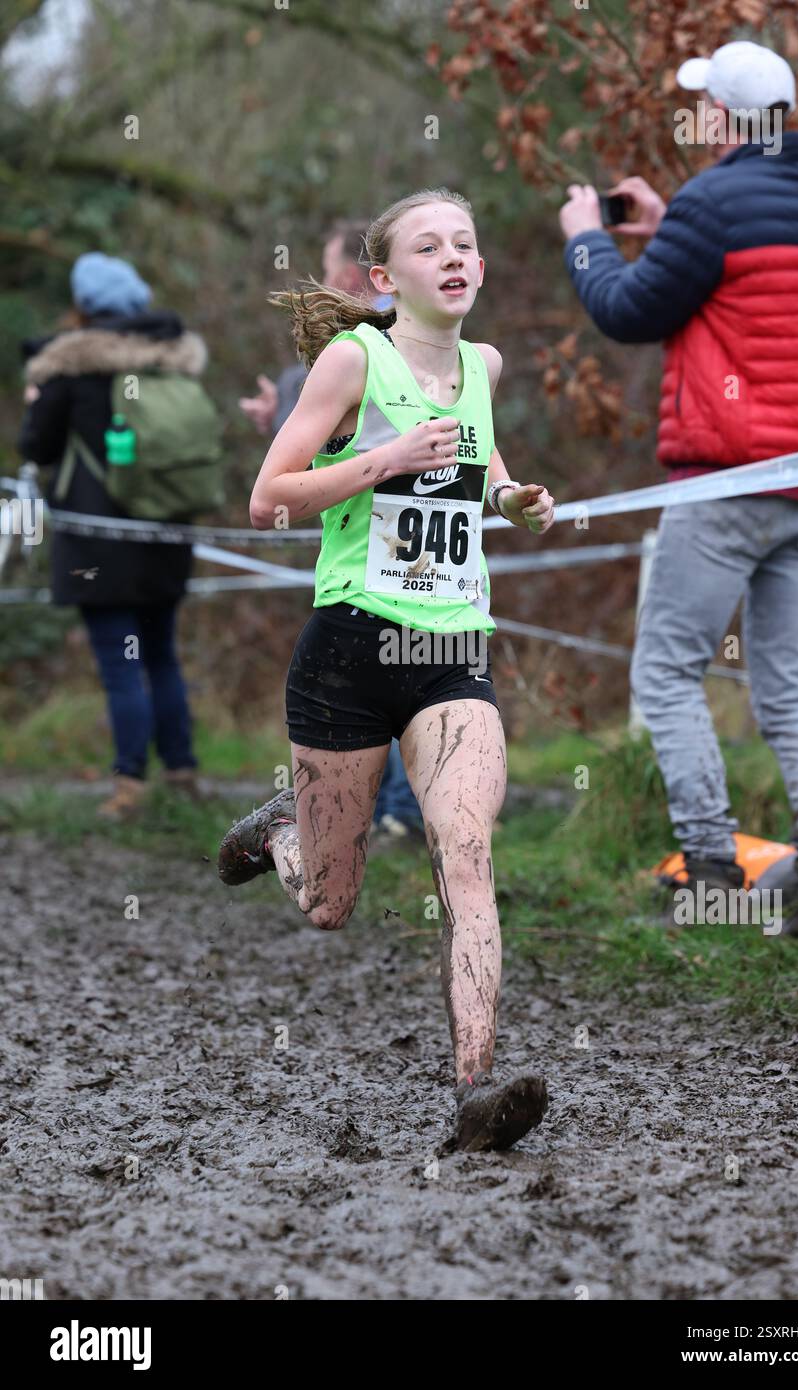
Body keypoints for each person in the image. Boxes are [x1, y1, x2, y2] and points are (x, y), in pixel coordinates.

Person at [218, 187, 556, 1152]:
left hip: (452, 651)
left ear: (480, 269)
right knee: (330, 904)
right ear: (383, 278)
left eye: (466, 244)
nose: (453, 257)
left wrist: (512, 497)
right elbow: (268, 499)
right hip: (349, 651)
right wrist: (385, 457)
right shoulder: (353, 360)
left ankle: (476, 1092)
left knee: (468, 854)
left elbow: (477, 470)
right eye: (428, 246)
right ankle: (284, 829)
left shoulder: (483, 367)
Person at [558, 40, 798, 937]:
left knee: (668, 673)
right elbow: (733, 285)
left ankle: (712, 870)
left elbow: (629, 312)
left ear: (721, 118)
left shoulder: (711, 202)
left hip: (725, 480)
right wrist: (665, 228)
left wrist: (586, 242)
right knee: (785, 688)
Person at [240, 220, 424, 841]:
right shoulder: (351, 353)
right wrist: (284, 418)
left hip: (430, 589)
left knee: (414, 676)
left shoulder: (446, 356)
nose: (321, 281)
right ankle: (364, 814)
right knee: (329, 886)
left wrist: (504, 492)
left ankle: (400, 807)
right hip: (355, 578)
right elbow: (287, 480)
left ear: (357, 273)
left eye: (327, 265)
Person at [18, 253, 204, 819]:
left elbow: (37, 448)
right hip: (167, 537)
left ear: (83, 307)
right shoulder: (172, 363)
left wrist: (35, 406)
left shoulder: (70, 370)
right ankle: (182, 773)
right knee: (161, 657)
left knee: (120, 663)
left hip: (96, 546)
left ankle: (129, 787)